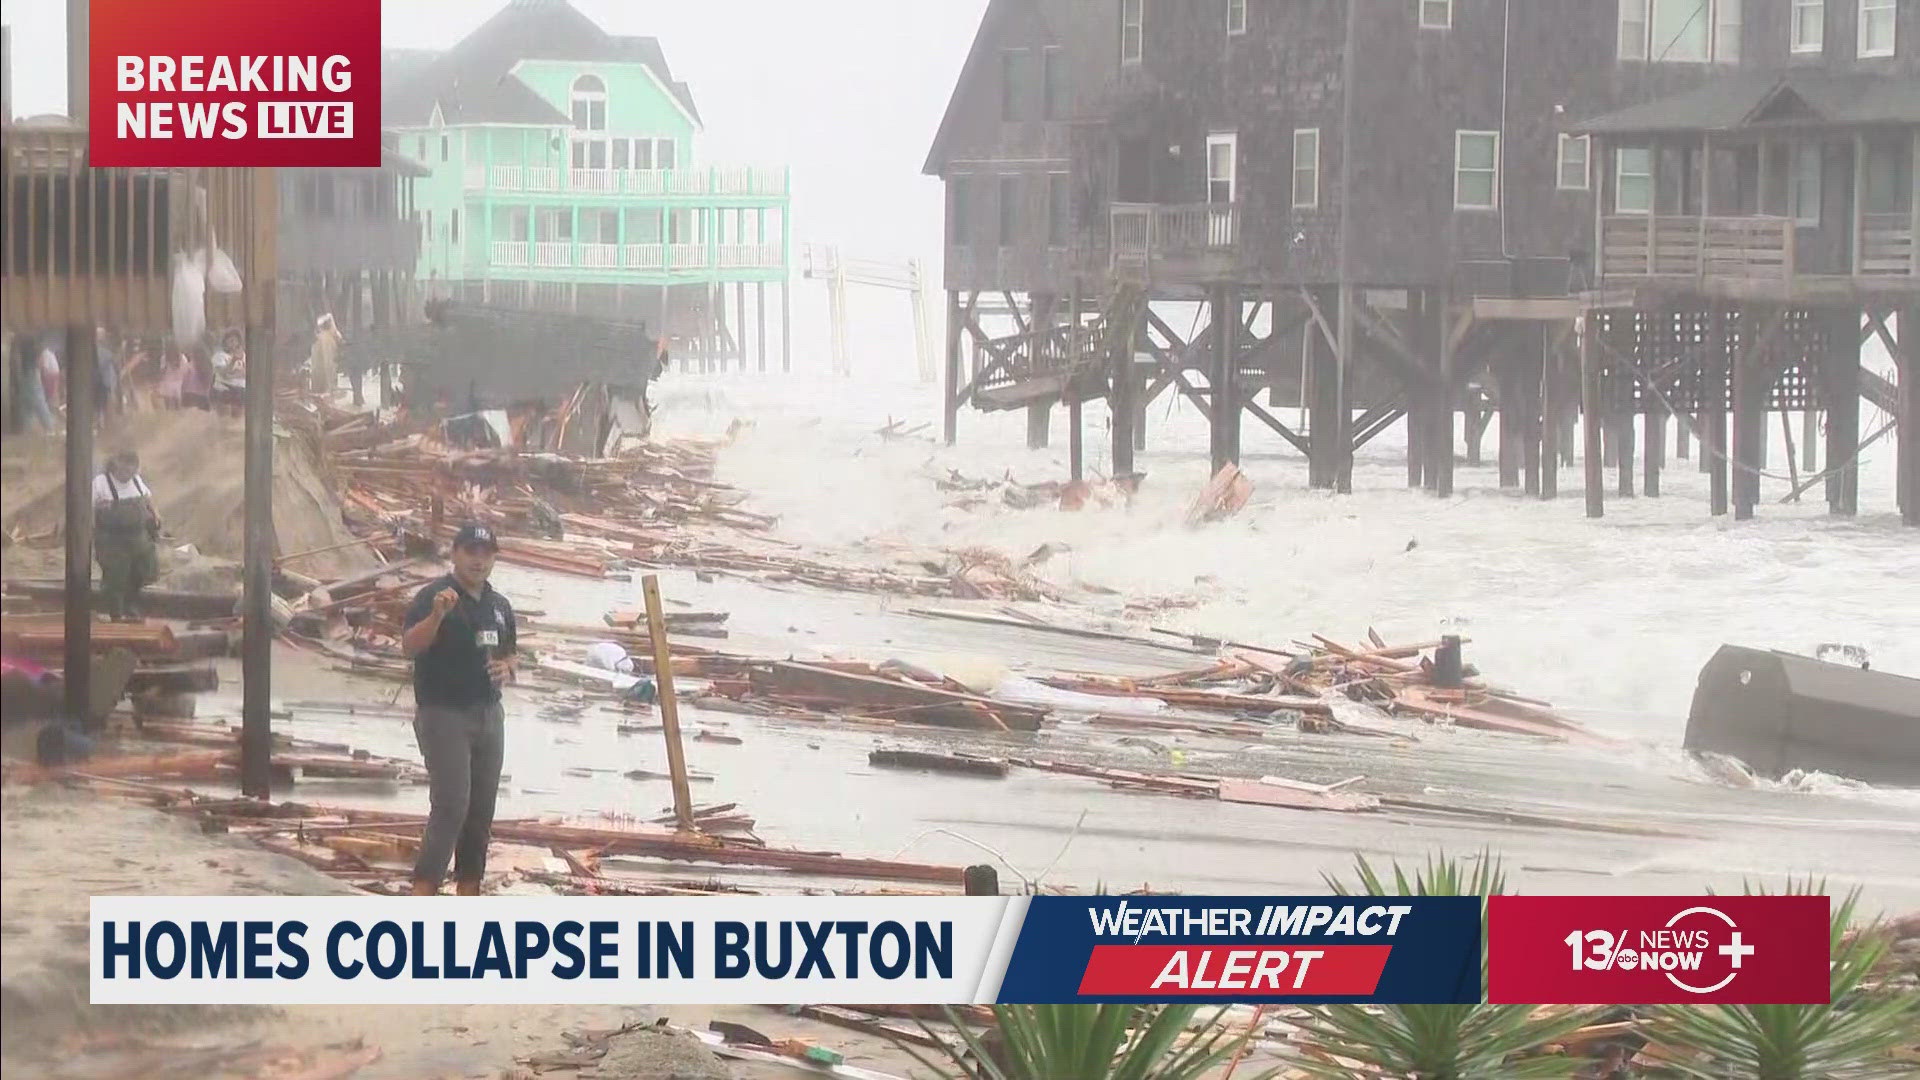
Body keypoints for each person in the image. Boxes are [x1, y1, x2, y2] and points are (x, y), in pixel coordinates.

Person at [400, 523, 516, 896]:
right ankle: (424, 891)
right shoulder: (433, 596)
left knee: (480, 812)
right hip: (443, 712)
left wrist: (507, 667)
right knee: (451, 806)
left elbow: (509, 652)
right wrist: (436, 617)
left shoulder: (498, 606)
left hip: (488, 714)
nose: (478, 561)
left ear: (495, 557)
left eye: (486, 553)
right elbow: (409, 647)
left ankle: (469, 891)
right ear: (454, 554)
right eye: (470, 552)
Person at [92, 450, 161, 621]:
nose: (128, 475)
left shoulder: (136, 480)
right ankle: (116, 613)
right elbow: (88, 508)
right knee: (115, 578)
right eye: (125, 471)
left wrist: (156, 514)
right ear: (116, 465)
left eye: (132, 471)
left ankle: (130, 603)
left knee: (146, 570)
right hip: (112, 540)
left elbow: (147, 497)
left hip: (138, 536)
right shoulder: (101, 483)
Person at [309, 313, 342, 398]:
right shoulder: (327, 337)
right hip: (324, 341)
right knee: (327, 366)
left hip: (319, 340)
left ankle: (320, 387)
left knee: (320, 366)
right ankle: (328, 387)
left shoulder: (319, 337)